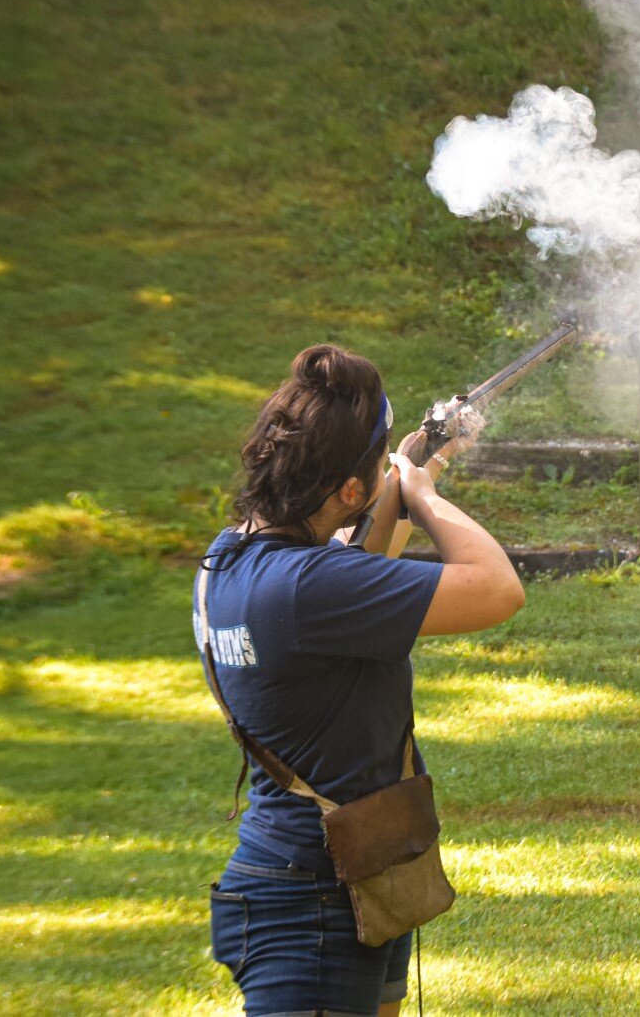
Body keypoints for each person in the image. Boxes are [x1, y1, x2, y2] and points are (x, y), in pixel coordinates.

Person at [196, 344, 522, 1017]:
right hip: (313, 901)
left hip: (335, 876)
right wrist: (423, 495)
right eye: (372, 469)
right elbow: (497, 589)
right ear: (348, 489)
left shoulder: (232, 559)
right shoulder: (307, 587)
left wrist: (408, 469)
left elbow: (355, 564)